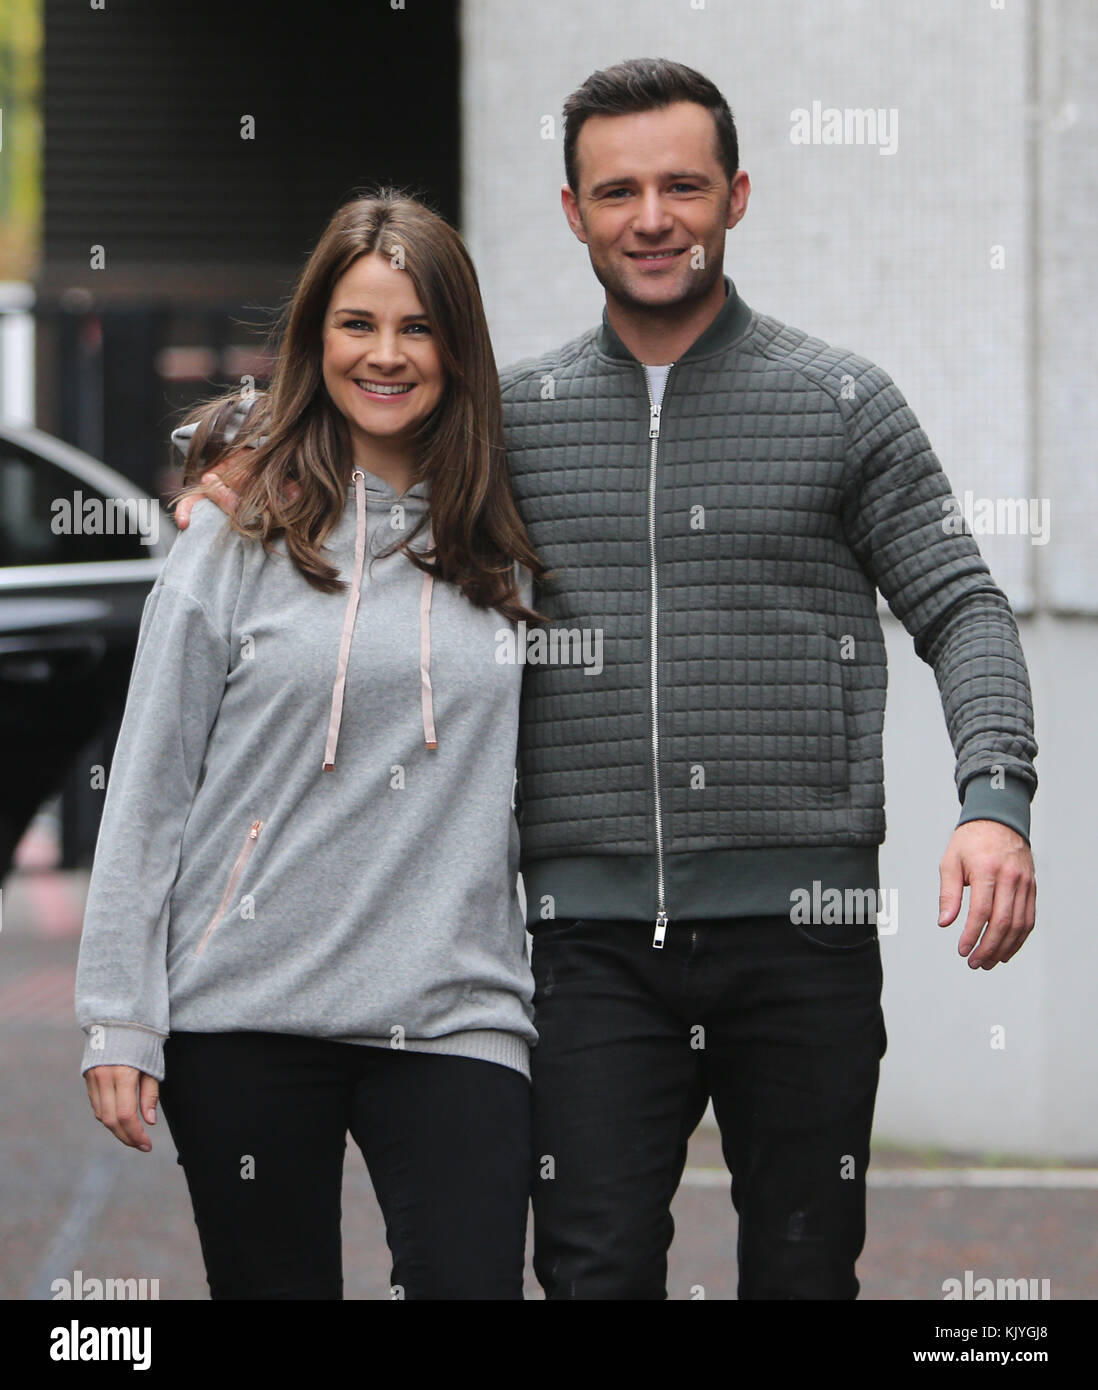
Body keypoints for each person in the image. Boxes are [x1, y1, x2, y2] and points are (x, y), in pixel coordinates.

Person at [177, 60, 1038, 1300]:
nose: (653, 217)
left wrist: (992, 801)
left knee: (805, 1273)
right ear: (572, 211)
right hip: (586, 952)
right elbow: (356, 424)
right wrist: (240, 470)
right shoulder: (504, 423)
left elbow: (964, 606)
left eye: (682, 185)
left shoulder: (844, 406)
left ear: (737, 195)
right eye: (618, 190)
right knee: (591, 1274)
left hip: (807, 933)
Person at [75, 189, 547, 1301]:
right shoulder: (234, 534)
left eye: (419, 327)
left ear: (459, 347)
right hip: (246, 1008)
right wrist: (118, 1013)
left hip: (455, 1008)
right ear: (315, 339)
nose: (387, 355)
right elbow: (151, 775)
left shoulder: (509, 532)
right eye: (358, 324)